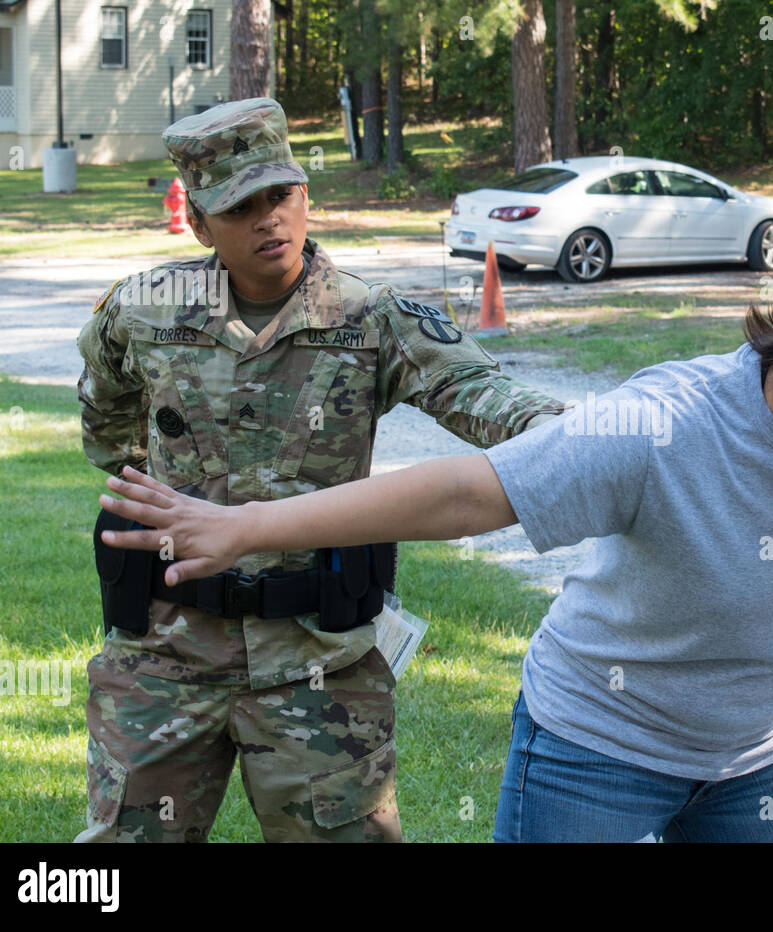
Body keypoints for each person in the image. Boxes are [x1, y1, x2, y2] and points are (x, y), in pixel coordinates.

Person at [95, 238, 773, 843]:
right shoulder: (662, 425)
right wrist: (244, 523)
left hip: (763, 753)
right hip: (598, 746)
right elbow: (459, 493)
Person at [75, 97, 565, 843]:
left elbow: (484, 397)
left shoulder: (371, 320)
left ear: (306, 197)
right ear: (200, 224)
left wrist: (595, 434)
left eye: (281, 196)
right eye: (242, 206)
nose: (269, 219)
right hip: (165, 654)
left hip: (319, 663)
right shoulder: (145, 312)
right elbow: (107, 418)